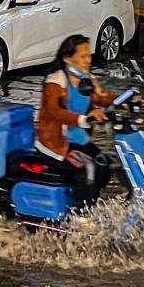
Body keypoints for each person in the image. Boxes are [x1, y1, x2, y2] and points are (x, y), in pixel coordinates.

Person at [35, 34, 115, 208]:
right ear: (68, 59)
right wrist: (85, 119)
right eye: (83, 56)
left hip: (79, 140)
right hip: (57, 143)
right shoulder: (55, 81)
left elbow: (101, 98)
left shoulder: (87, 79)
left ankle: (91, 205)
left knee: (105, 164)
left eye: (89, 55)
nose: (88, 60)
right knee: (87, 169)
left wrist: (125, 98)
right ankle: (79, 217)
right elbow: (53, 112)